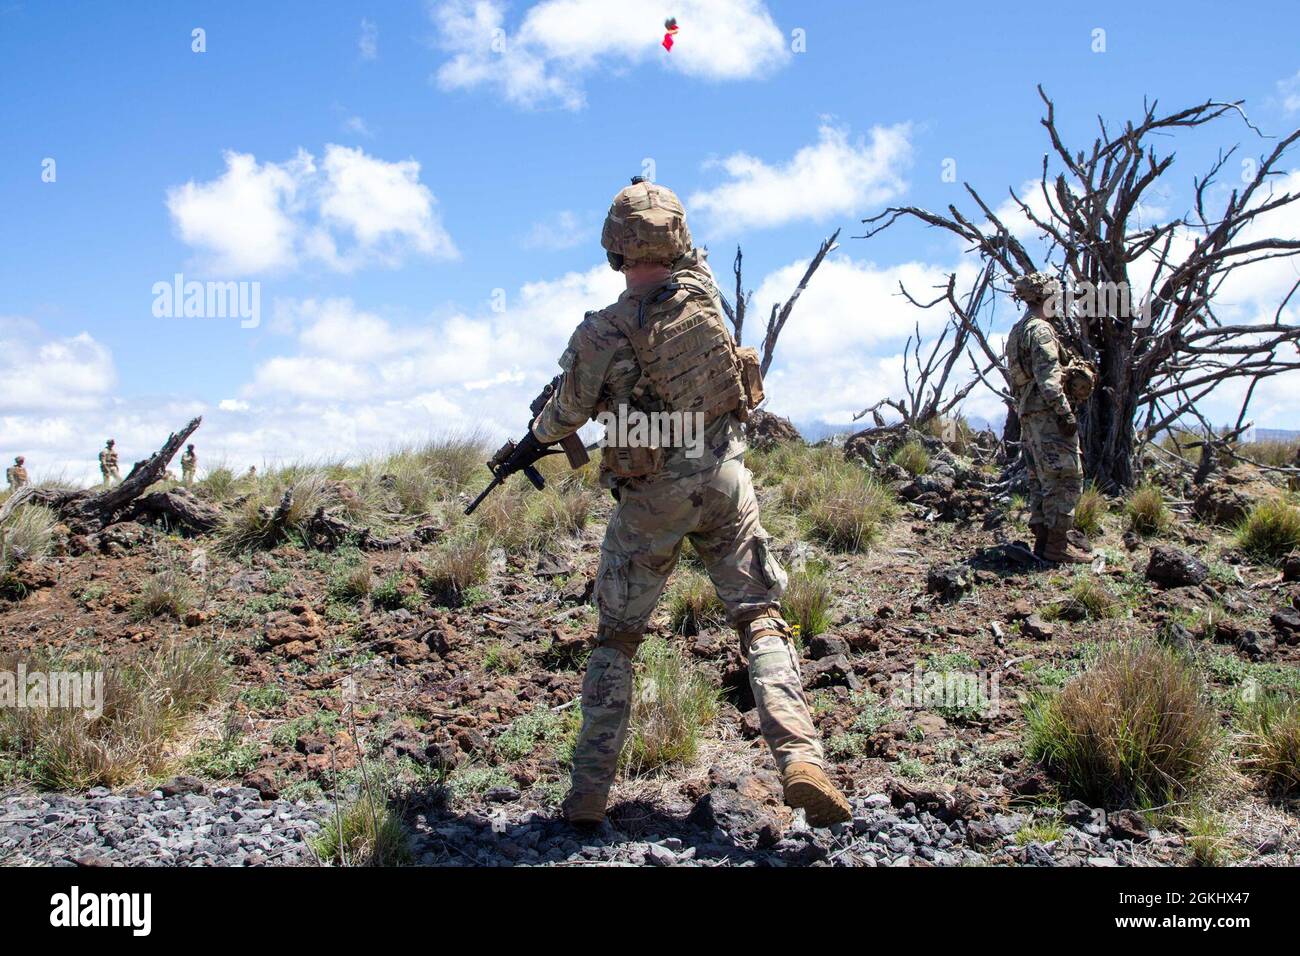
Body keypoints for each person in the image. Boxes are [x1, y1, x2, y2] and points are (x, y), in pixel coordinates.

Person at [508, 177, 850, 827]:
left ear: (613, 250)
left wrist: (539, 432)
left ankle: (585, 797)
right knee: (758, 619)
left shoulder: (602, 332)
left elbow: (562, 419)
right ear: (681, 242)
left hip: (651, 502)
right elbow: (690, 260)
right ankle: (803, 759)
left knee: (616, 642)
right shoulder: (704, 300)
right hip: (726, 483)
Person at [1005, 272, 1089, 564]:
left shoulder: (1018, 331)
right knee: (1066, 478)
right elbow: (1049, 381)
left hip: (1029, 414)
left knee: (1040, 478)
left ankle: (1044, 544)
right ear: (1044, 296)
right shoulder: (1040, 330)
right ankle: (1056, 548)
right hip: (1048, 414)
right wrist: (1065, 414)